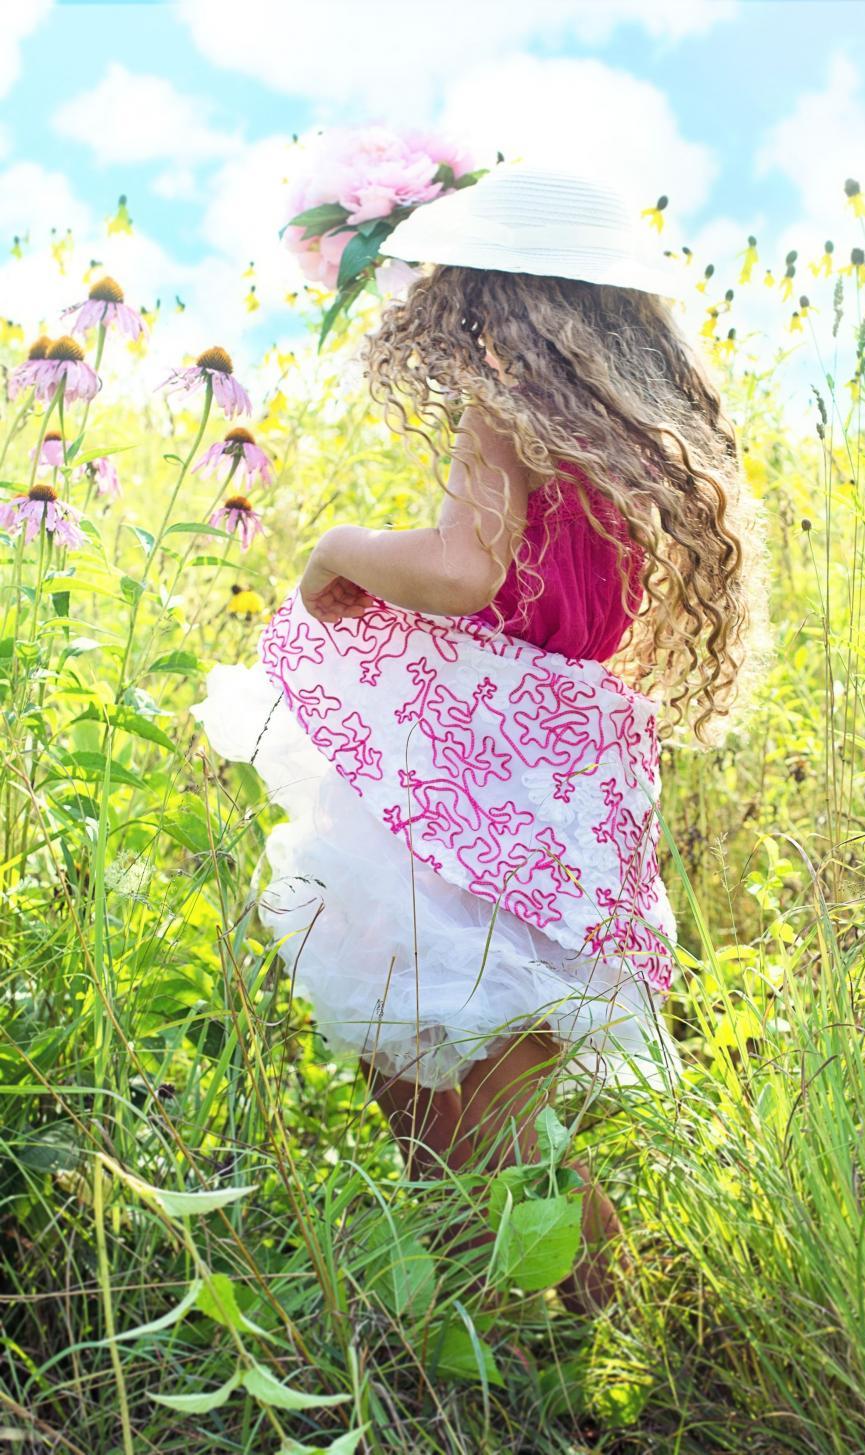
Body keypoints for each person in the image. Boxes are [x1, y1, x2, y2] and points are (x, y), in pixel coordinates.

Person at [194, 162, 767, 1312]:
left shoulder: (505, 402)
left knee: (432, 1069)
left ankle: (537, 1323)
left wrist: (341, 548)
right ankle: (568, 1319)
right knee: (500, 1083)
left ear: (491, 292)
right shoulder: (626, 431)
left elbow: (465, 569)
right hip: (571, 757)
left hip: (468, 757)